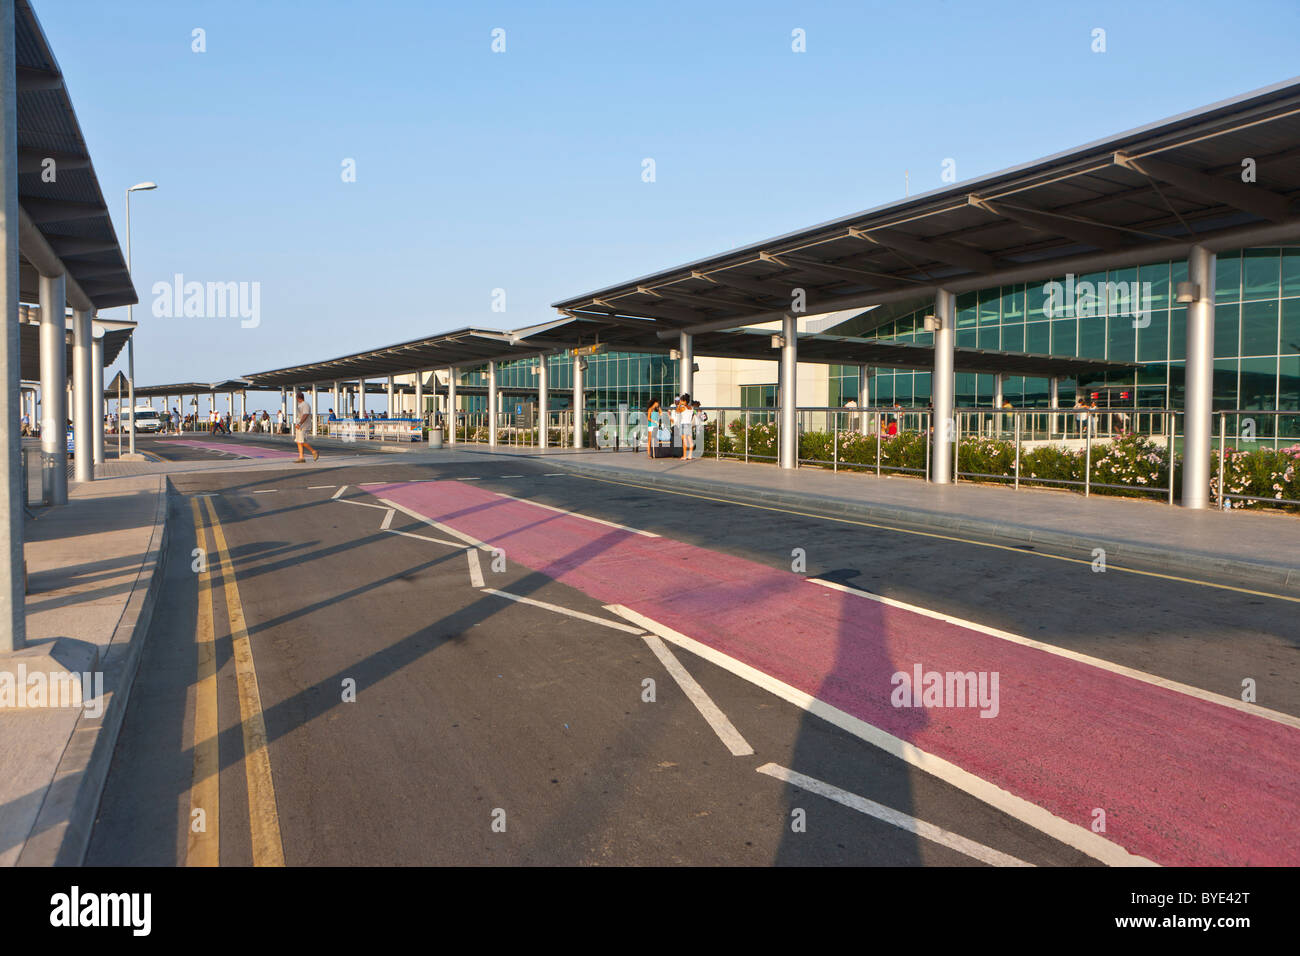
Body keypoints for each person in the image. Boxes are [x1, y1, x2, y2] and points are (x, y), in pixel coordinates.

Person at [293, 390, 318, 462]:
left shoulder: (305, 404)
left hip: (303, 426)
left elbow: (305, 414)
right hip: (299, 426)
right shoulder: (301, 405)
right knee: (298, 441)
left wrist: (300, 424)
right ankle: (301, 457)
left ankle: (314, 451)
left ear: (298, 398)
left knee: (302, 441)